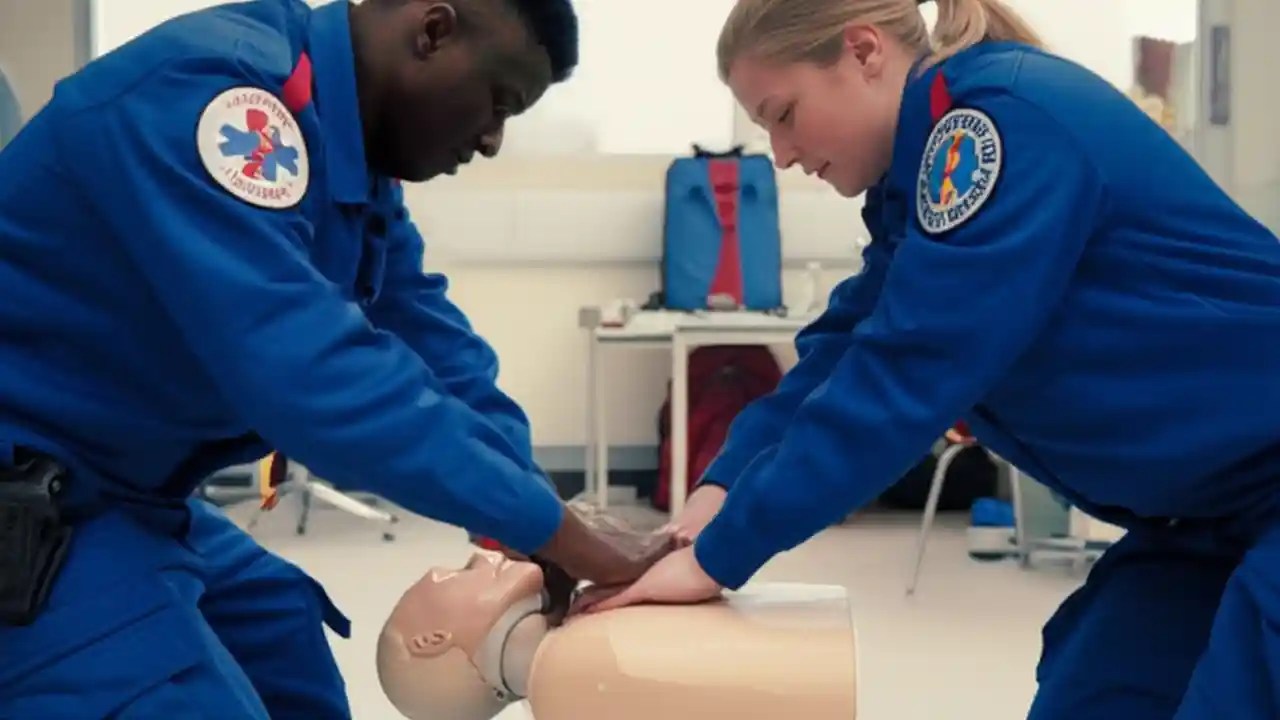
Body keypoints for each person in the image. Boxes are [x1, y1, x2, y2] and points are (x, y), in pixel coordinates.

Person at [576, 0, 1280, 718]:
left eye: (783, 114)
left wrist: (716, 558)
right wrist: (713, 499)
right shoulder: (917, 179)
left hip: (1257, 483)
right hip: (1208, 509)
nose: (781, 155)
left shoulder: (999, 128)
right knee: (1095, 694)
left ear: (863, 51)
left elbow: (908, 374)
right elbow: (847, 349)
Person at [0, 0, 671, 717]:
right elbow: (313, 374)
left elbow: (430, 336)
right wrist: (559, 534)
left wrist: (534, 511)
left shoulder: (343, 154)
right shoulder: (216, 96)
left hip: (118, 487)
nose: (493, 140)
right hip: (30, 491)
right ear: (433, 31)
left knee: (283, 634)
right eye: (498, 101)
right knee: (180, 697)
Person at [377, 550, 858, 720]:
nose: (482, 558)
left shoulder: (568, 667)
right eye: (460, 572)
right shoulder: (573, 671)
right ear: (432, 640)